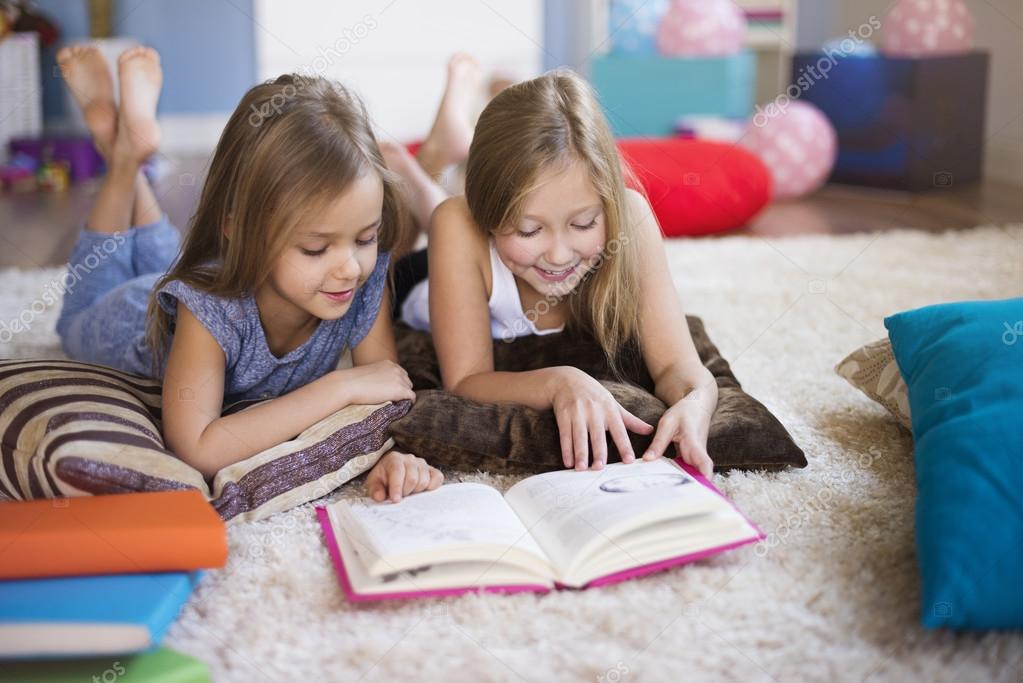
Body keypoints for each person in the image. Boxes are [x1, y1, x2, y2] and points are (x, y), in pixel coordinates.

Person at [53, 45, 442, 502]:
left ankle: (126, 144)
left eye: (364, 238)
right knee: (92, 288)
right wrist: (338, 386)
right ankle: (122, 161)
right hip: (121, 316)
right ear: (237, 228)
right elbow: (196, 446)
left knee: (164, 257)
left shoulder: (363, 279)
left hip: (186, 276)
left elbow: (383, 394)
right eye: (316, 248)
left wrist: (392, 455)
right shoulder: (210, 310)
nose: (350, 267)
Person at [394, 70, 717, 477]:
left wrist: (696, 402)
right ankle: (426, 158)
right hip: (429, 279)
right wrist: (558, 381)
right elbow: (466, 380)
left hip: (481, 243)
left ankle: (461, 132)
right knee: (419, 223)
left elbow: (677, 365)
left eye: (583, 224)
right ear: (489, 218)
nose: (559, 255)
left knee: (444, 209)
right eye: (530, 230)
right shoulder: (461, 225)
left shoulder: (630, 216)